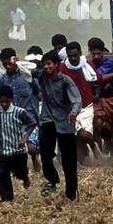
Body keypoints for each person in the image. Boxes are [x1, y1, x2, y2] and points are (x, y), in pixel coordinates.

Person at [35, 50, 82, 200]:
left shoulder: (66, 81)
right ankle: (52, 180)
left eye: (49, 64)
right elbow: (25, 69)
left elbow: (76, 100)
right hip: (48, 119)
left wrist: (74, 112)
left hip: (65, 121)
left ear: (57, 64)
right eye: (44, 64)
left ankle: (71, 192)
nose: (46, 67)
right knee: (45, 152)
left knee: (69, 159)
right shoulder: (42, 77)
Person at [0, 84, 35, 202]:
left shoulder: (19, 112)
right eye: (2, 101)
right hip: (4, 150)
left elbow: (32, 123)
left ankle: (25, 178)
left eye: (7, 101)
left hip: (18, 149)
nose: (4, 104)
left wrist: (25, 137)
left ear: (11, 100)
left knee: (19, 172)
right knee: (1, 173)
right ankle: (7, 199)